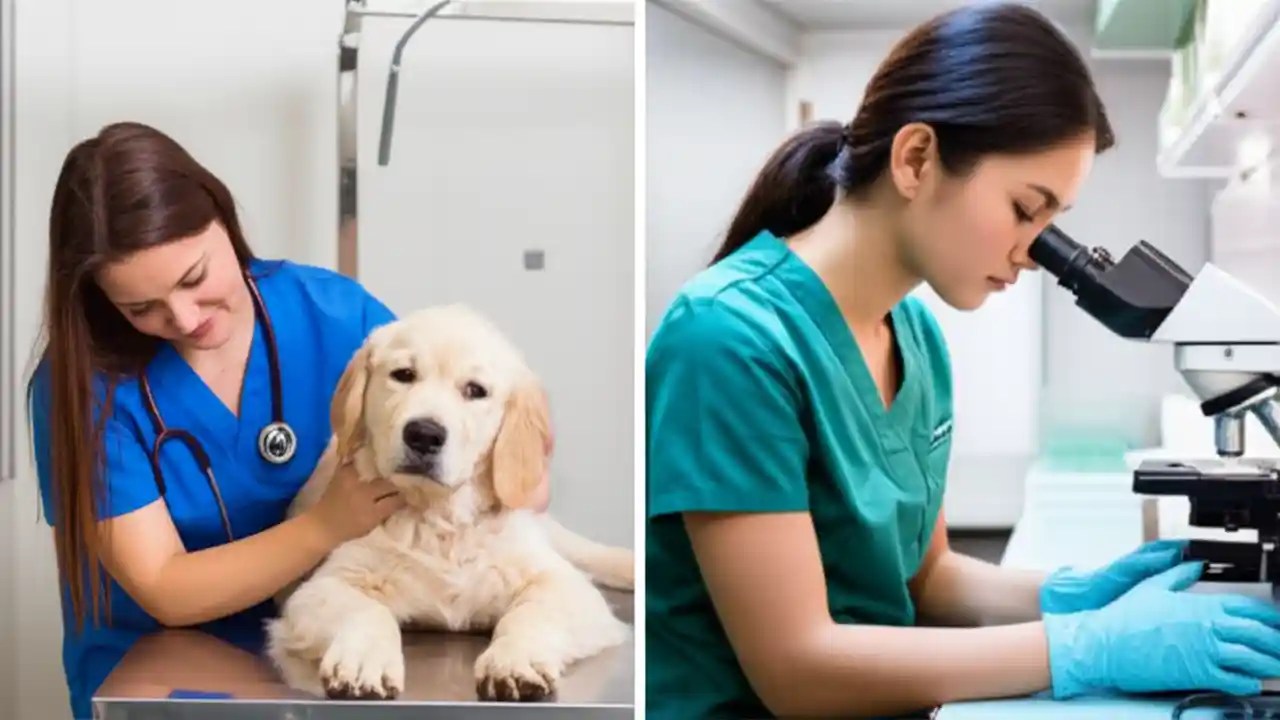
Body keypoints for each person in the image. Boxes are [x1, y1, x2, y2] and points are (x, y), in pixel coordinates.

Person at [644, 4, 1280, 719]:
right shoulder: (727, 340)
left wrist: (1085, 592)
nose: (1035, 254)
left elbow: (928, 580)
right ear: (916, 158)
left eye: (1052, 223)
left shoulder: (913, 333)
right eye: (1025, 210)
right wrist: (1088, 645)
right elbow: (798, 669)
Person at [27, 121, 553, 719]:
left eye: (194, 278)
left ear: (223, 218)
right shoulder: (83, 386)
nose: (184, 317)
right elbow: (165, 588)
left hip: (329, 651)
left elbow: (482, 437)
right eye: (140, 307)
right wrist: (327, 524)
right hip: (158, 679)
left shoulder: (333, 314)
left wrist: (512, 470)